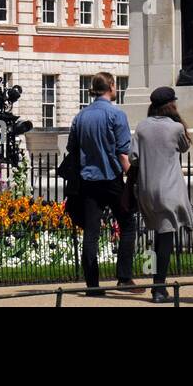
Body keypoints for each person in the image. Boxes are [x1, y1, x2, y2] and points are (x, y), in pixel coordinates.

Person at [64, 72, 139, 295]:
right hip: (112, 179)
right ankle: (124, 278)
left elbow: (71, 148)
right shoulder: (117, 115)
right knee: (128, 225)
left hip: (88, 181)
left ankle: (92, 285)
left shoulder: (80, 116)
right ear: (111, 87)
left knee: (91, 233)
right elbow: (123, 153)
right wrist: (134, 181)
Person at [130, 86, 193, 303]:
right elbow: (184, 147)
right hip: (168, 189)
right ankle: (158, 287)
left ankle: (158, 284)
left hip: (147, 189)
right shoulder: (176, 128)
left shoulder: (141, 127)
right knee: (165, 240)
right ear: (171, 104)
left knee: (158, 237)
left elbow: (134, 159)